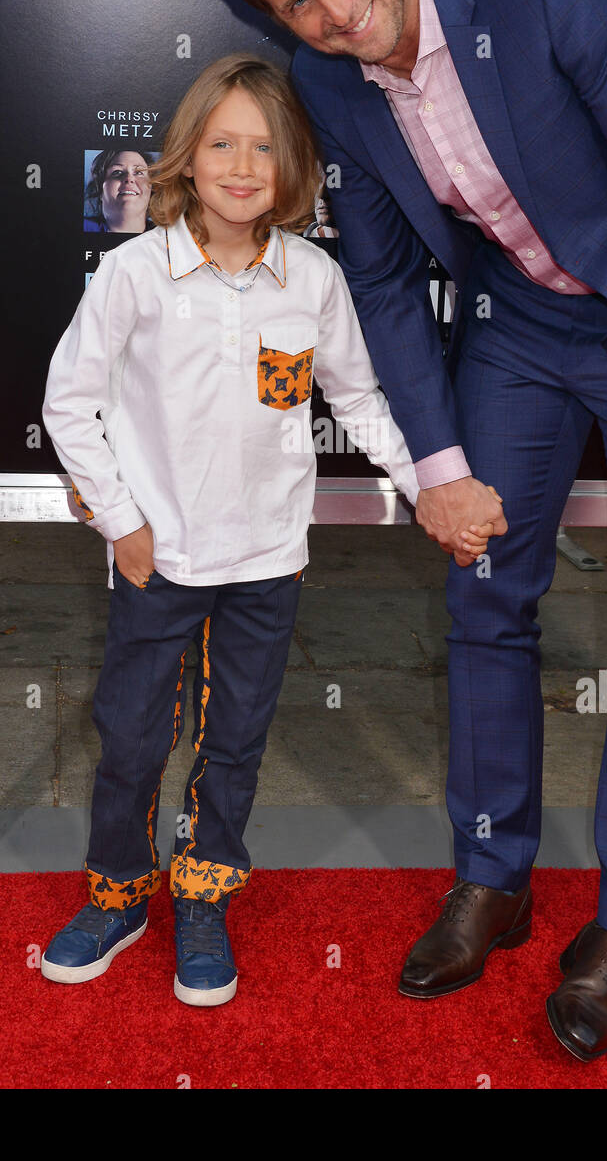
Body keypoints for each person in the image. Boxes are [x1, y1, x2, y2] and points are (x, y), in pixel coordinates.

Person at [213, 0, 607, 1058]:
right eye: (296, 5)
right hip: (519, 324)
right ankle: (491, 879)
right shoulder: (329, 79)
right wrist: (435, 465)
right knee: (483, 593)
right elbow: (381, 278)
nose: (332, 11)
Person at [41, 52, 494, 1006]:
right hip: (159, 559)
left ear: (293, 167)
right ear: (186, 156)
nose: (243, 167)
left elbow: (358, 400)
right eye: (222, 145)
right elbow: (69, 404)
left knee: (236, 739)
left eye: (263, 148)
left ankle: (204, 894)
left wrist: (430, 487)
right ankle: (118, 896)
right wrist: (121, 521)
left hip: (268, 562)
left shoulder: (313, 278)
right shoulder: (135, 272)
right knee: (130, 739)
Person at [83, 148, 157, 233]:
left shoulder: (165, 234)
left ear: (151, 187)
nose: (129, 178)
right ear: (99, 189)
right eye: (117, 172)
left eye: (139, 172)